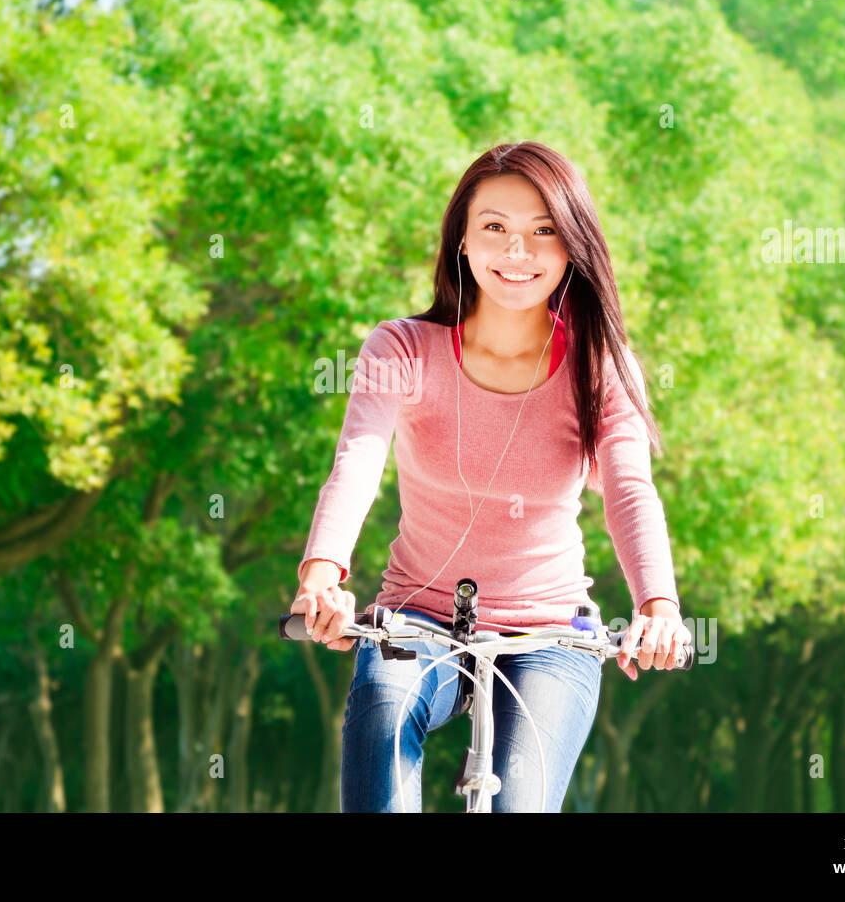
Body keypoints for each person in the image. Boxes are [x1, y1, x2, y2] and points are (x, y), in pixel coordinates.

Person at [289, 141, 693, 812]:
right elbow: (357, 460)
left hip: (551, 631)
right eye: (495, 229)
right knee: (384, 719)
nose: (517, 252)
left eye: (543, 232)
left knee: (520, 803)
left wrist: (659, 607)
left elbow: (628, 489)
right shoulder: (402, 348)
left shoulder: (602, 364)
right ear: (462, 243)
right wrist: (322, 576)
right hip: (415, 620)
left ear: (571, 248)